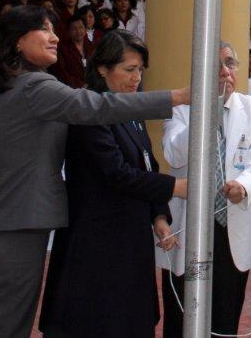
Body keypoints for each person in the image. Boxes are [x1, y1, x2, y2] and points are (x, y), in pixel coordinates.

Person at [0, 5, 190, 338]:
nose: (55, 37)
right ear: (17, 40)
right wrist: (180, 97)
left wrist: (158, 214)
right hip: (14, 225)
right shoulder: (33, 86)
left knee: (6, 325)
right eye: (45, 29)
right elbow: (98, 106)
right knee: (6, 328)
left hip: (6, 220)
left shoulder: (5, 86)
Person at [38, 31, 187, 338]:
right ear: (103, 69)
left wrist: (159, 216)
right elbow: (117, 173)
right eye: (129, 69)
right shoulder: (88, 110)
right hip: (97, 242)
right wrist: (176, 187)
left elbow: (147, 163)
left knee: (130, 319)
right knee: (98, 322)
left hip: (130, 238)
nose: (137, 78)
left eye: (140, 70)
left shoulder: (131, 110)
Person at [159, 42, 251, 337]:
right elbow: (174, 155)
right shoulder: (180, 109)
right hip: (189, 226)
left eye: (230, 63)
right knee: (181, 316)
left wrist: (244, 186)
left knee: (225, 316)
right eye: (215, 65)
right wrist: (206, 108)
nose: (224, 71)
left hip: (232, 226)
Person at [52, 16, 90, 89]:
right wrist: (81, 85)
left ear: (85, 30)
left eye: (81, 27)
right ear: (69, 31)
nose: (78, 31)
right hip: (73, 89)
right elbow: (62, 73)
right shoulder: (62, 49)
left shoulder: (92, 47)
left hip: (93, 87)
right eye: (74, 28)